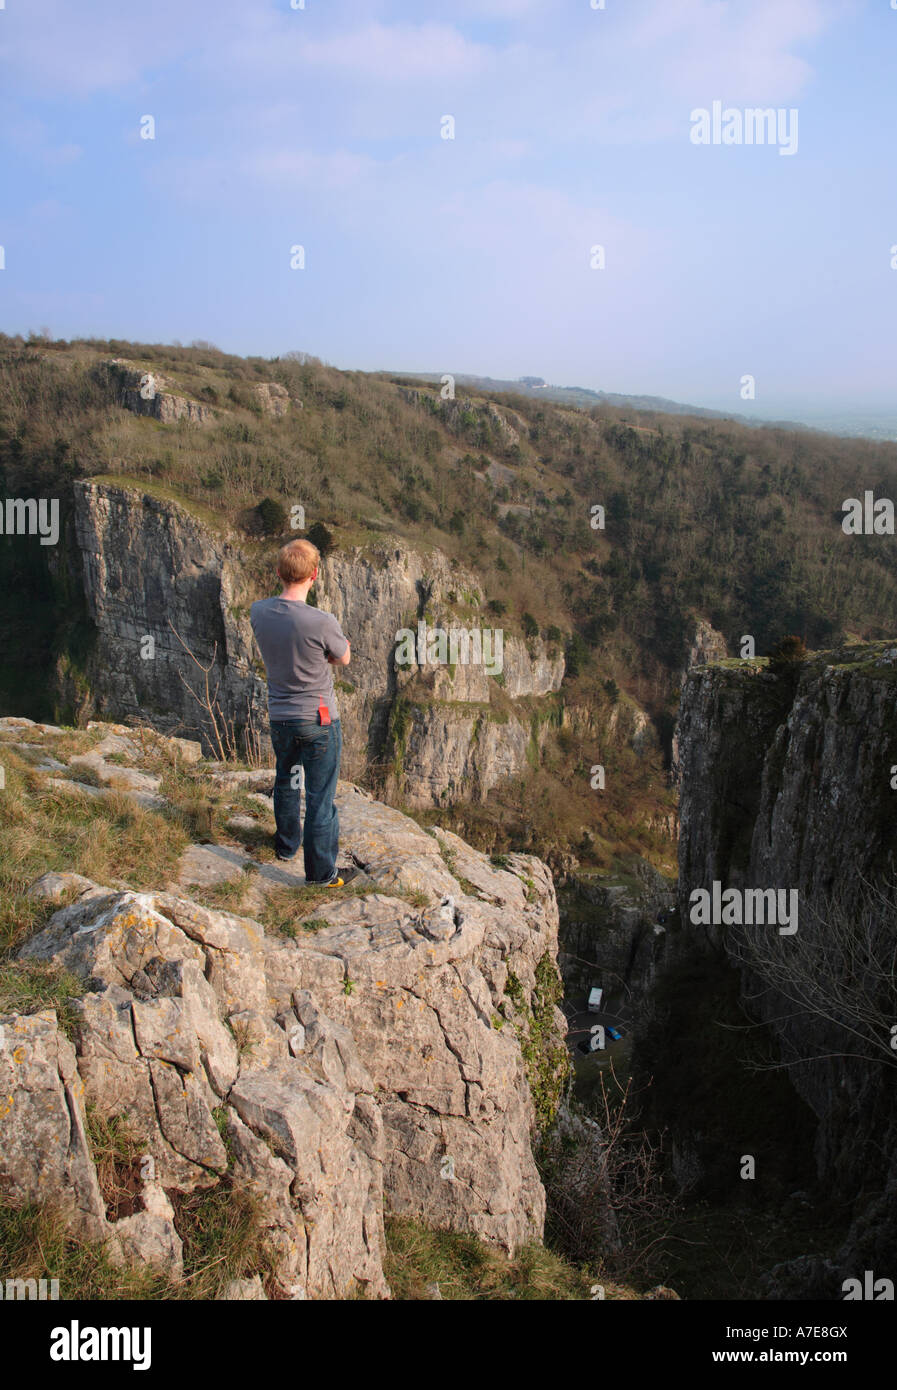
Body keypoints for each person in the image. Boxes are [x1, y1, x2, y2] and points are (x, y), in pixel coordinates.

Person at [250, 538, 355, 885]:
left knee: (286, 780)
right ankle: (321, 874)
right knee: (320, 798)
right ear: (314, 576)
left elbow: (286, 644)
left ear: (279, 573)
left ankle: (286, 845)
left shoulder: (258, 612)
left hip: (281, 717)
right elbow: (343, 657)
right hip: (318, 719)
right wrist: (328, 652)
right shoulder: (321, 621)